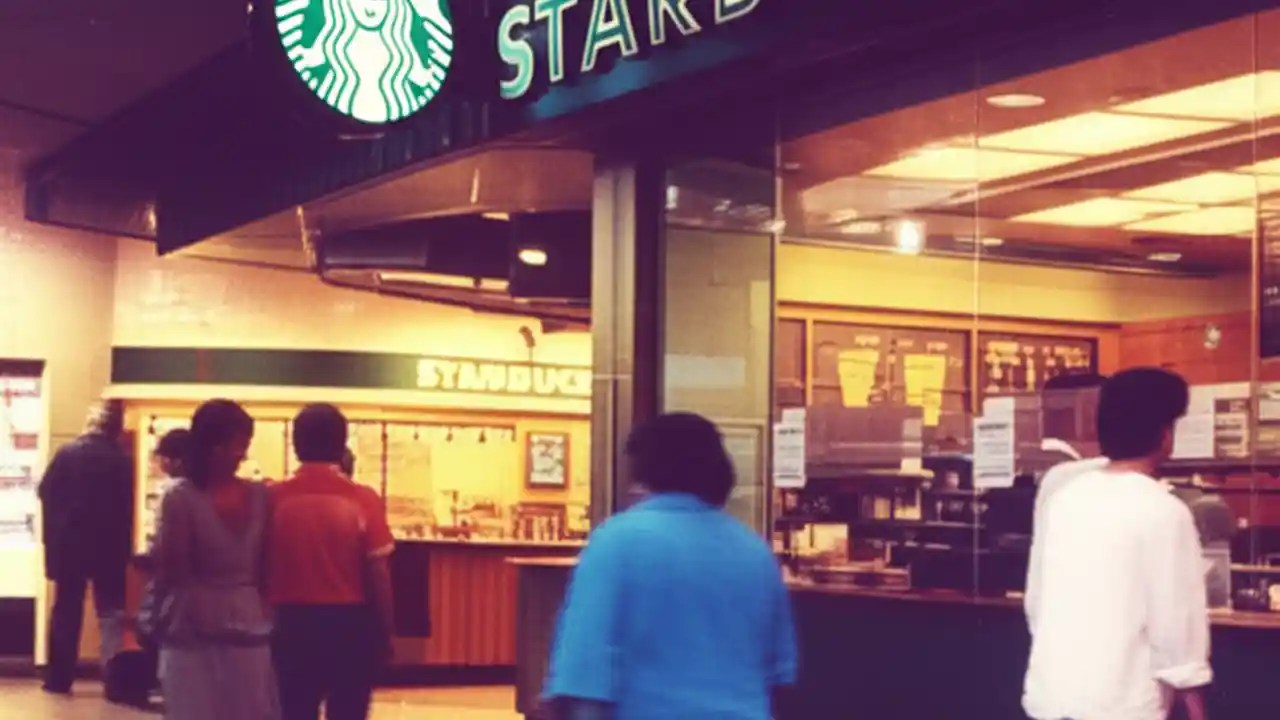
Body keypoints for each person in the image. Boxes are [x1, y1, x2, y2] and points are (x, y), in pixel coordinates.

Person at [543, 413, 798, 720]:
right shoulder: (754, 551)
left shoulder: (616, 542)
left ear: (643, 469)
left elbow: (586, 666)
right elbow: (780, 671)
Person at [1023, 369, 1211, 720]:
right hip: (1122, 705)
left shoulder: (1065, 498)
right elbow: (1175, 627)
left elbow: (1036, 601)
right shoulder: (1163, 510)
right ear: (1165, 434)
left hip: (1052, 697)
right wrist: (1195, 703)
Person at [153, 400, 279, 720]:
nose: (242, 455)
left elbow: (172, 568)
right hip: (236, 621)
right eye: (238, 445)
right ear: (214, 446)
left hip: (197, 620)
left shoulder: (183, 498)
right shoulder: (256, 497)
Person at [268, 404, 395, 720]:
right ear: (341, 445)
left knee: (294, 709)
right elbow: (378, 573)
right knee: (348, 711)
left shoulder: (272, 499)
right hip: (349, 623)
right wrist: (386, 630)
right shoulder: (361, 499)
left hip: (288, 623)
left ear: (295, 445)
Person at [39, 399, 133, 697]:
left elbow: (44, 490)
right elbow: (127, 505)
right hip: (110, 544)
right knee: (110, 613)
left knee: (66, 609)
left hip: (69, 545)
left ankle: (59, 678)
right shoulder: (121, 459)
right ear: (115, 428)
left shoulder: (67, 454)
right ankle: (113, 678)